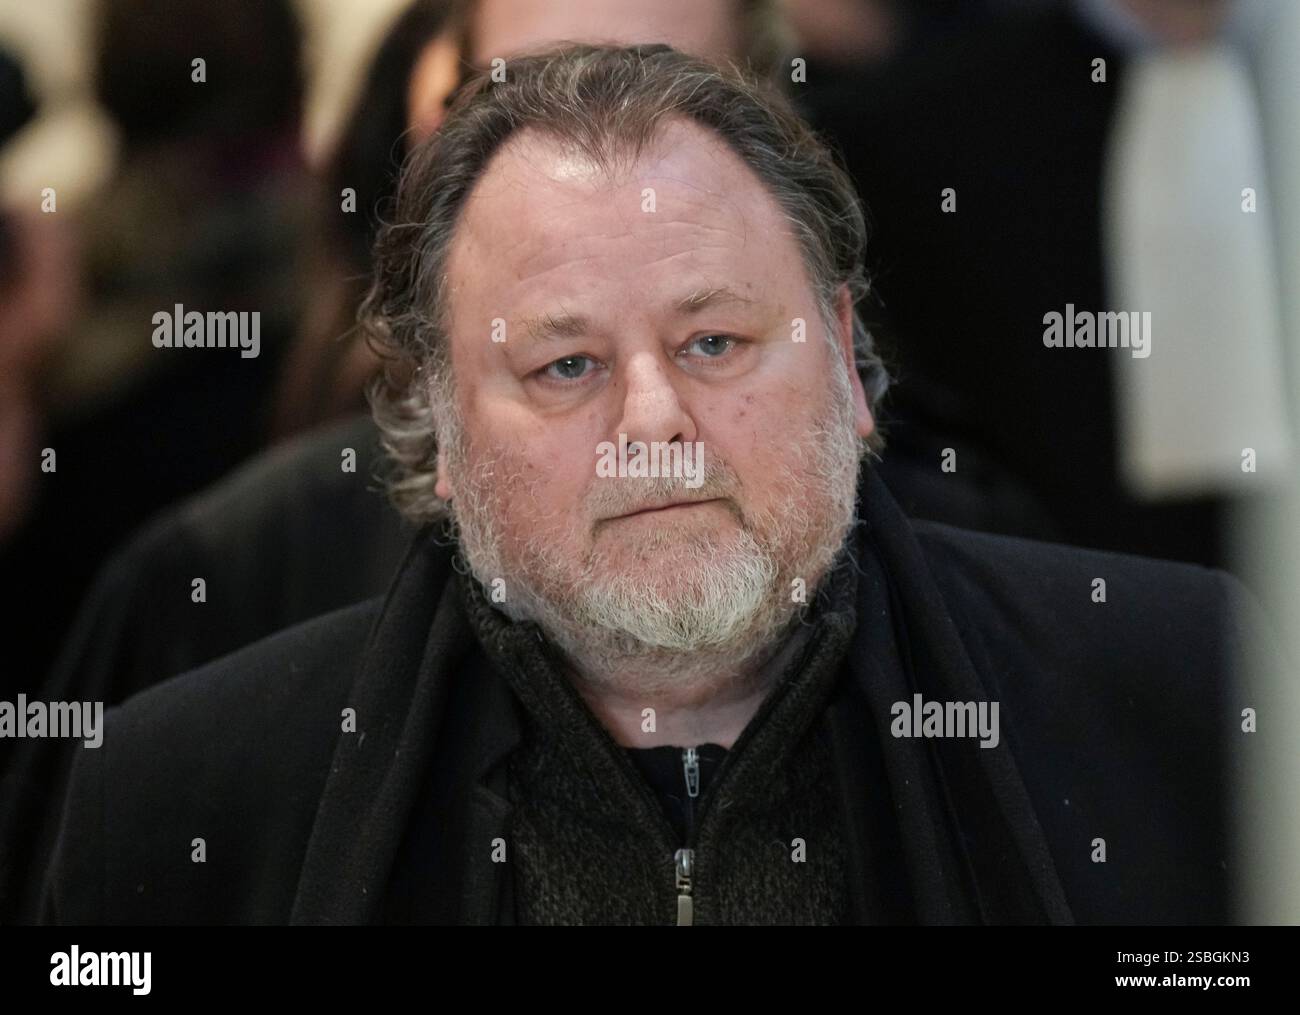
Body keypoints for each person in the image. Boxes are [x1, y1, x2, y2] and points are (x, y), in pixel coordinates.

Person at [40, 45, 1264, 925]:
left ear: (844, 357)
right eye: (565, 364)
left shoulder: (1185, 697)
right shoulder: (181, 802)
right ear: (440, 430)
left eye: (714, 342)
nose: (653, 424)